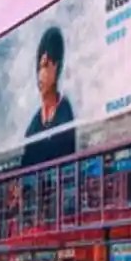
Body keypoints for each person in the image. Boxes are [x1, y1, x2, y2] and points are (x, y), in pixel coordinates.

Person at [21, 27, 76, 167]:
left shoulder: (65, 112)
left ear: (57, 67)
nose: (40, 74)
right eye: (39, 67)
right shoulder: (33, 126)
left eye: (45, 65)